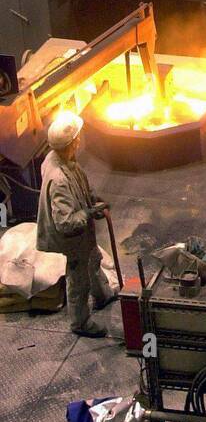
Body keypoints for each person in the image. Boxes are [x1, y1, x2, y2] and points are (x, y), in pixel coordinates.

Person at [37, 111, 115, 337]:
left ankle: (102, 296)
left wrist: (92, 199)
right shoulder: (59, 179)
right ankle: (80, 323)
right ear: (73, 143)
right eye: (78, 138)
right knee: (78, 280)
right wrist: (89, 212)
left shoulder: (58, 158)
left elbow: (79, 182)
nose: (80, 140)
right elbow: (65, 222)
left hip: (83, 236)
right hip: (72, 239)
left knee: (94, 260)